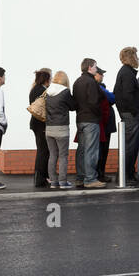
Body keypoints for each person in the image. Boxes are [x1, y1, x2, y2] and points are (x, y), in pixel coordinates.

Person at [72, 59, 106, 189]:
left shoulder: (77, 82)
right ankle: (90, 179)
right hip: (91, 120)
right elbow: (94, 102)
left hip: (80, 119)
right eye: (95, 67)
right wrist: (98, 115)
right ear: (90, 67)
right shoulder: (91, 82)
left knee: (81, 150)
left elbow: (75, 102)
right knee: (91, 150)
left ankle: (80, 178)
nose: (97, 69)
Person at [42, 70, 77, 189]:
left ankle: (53, 181)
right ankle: (63, 181)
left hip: (49, 128)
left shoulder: (47, 91)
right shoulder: (65, 92)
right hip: (61, 128)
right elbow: (73, 107)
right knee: (63, 156)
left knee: (52, 155)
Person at [113, 46, 139, 184]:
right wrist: (135, 111)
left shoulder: (125, 72)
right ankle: (125, 176)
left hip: (127, 113)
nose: (138, 58)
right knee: (130, 146)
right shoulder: (127, 73)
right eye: (136, 55)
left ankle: (128, 174)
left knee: (131, 146)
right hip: (130, 114)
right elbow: (127, 95)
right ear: (132, 57)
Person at [28, 68, 52, 188]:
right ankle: (40, 178)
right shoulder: (42, 91)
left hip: (35, 124)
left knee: (42, 150)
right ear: (46, 79)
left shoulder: (34, 89)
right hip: (41, 124)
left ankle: (42, 176)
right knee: (43, 151)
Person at [96, 68, 117, 184]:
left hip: (104, 124)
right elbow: (112, 98)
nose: (102, 76)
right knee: (102, 150)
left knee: (103, 150)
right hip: (104, 125)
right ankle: (100, 174)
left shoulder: (101, 87)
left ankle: (101, 173)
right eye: (100, 74)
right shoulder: (100, 88)